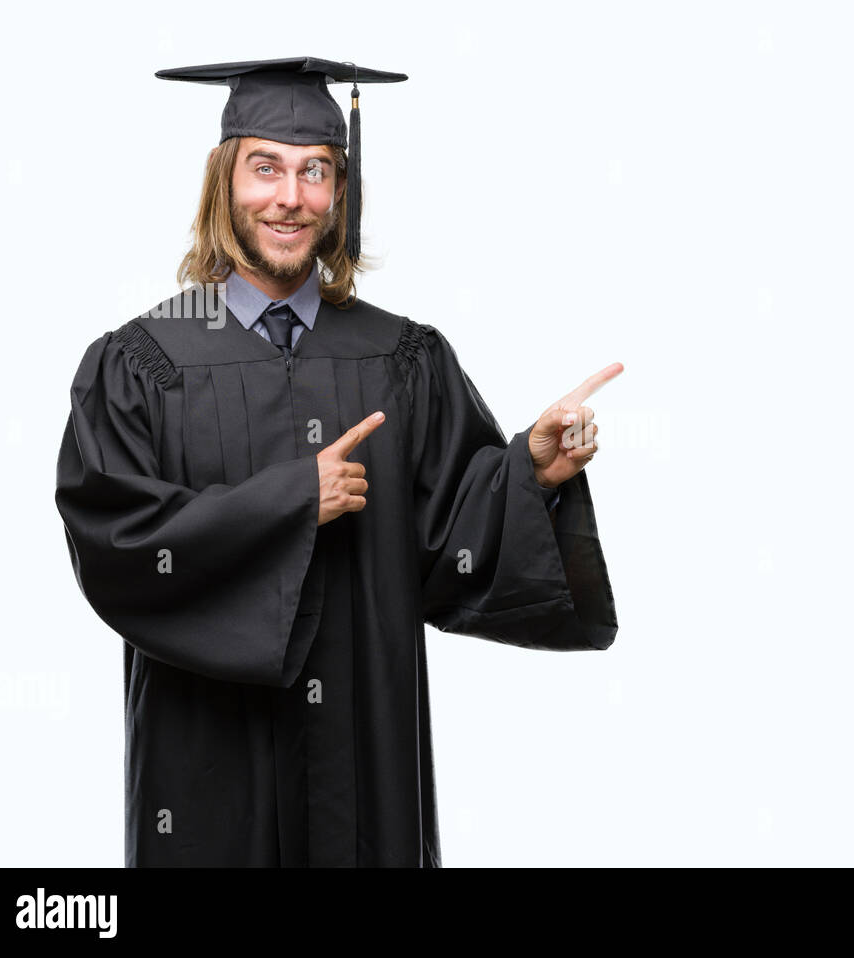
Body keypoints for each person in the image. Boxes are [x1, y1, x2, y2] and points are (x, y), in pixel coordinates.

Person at [53, 57, 621, 867]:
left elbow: (449, 549)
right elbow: (116, 545)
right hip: (205, 769)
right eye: (266, 169)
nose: (291, 197)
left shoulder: (402, 359)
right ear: (224, 184)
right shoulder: (142, 365)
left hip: (364, 765)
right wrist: (292, 502)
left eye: (315, 171)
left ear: (339, 193)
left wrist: (530, 475)